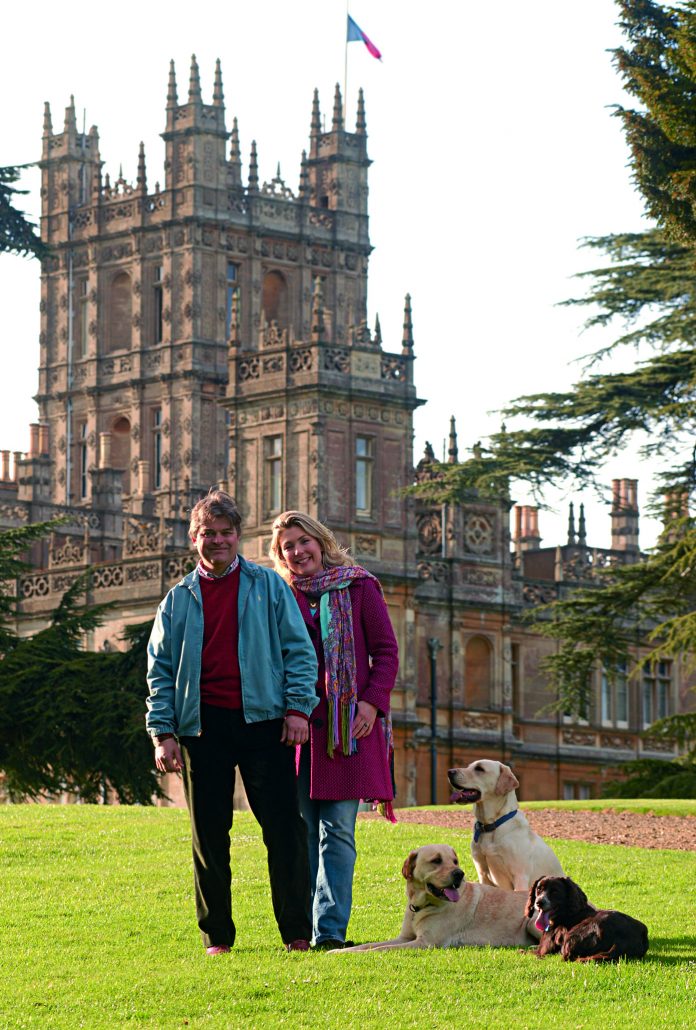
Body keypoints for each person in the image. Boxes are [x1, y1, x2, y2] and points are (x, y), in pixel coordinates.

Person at [146, 490, 319, 955]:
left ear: (238, 536)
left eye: (225, 533)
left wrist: (299, 709)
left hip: (265, 723)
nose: (218, 541)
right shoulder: (178, 599)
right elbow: (159, 671)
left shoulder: (268, 586)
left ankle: (297, 934)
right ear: (194, 538)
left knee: (285, 831)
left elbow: (299, 652)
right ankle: (217, 939)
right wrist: (162, 733)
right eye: (209, 534)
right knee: (209, 838)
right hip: (202, 729)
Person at [269, 511, 399, 950]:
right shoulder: (277, 595)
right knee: (301, 832)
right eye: (288, 546)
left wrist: (371, 702)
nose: (298, 551)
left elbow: (385, 652)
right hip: (295, 732)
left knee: (338, 831)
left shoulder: (358, 586)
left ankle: (330, 932)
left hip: (347, 732)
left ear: (321, 543)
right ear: (279, 554)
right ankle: (302, 931)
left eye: (304, 541)